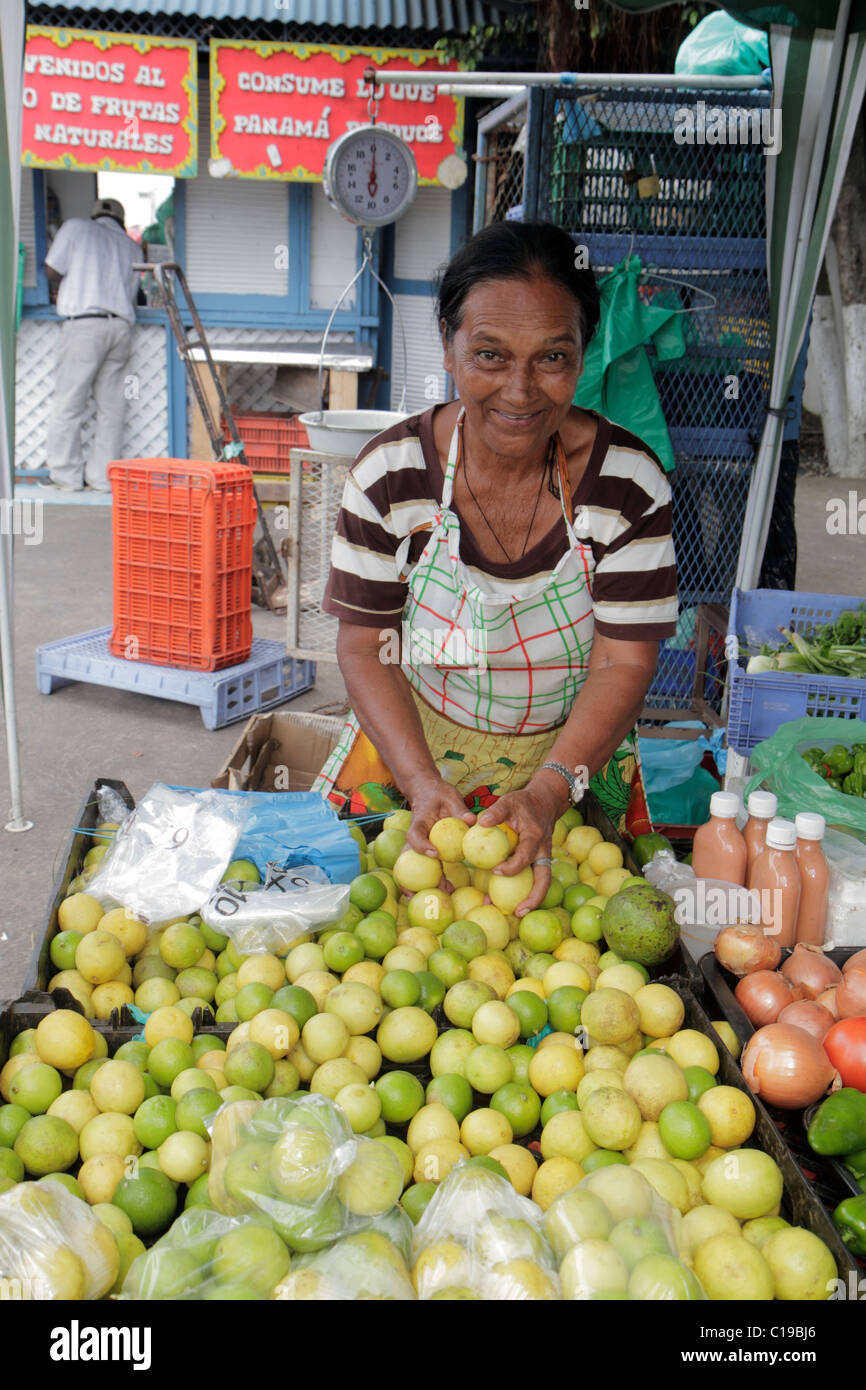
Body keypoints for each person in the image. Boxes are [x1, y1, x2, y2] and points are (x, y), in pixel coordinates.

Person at [315, 221, 678, 915]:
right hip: (412, 752)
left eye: (552, 358)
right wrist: (420, 784)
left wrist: (546, 792)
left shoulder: (626, 484)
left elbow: (623, 666)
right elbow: (364, 647)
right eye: (489, 355)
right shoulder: (390, 475)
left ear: (582, 356)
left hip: (571, 764)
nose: (520, 392)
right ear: (449, 347)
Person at [43, 197, 140, 492]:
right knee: (111, 408)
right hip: (120, 328)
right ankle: (101, 478)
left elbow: (51, 271)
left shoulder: (75, 228)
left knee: (69, 403)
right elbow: (133, 290)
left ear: (94, 214)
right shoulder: (132, 246)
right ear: (121, 222)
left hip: (85, 324)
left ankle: (66, 476)